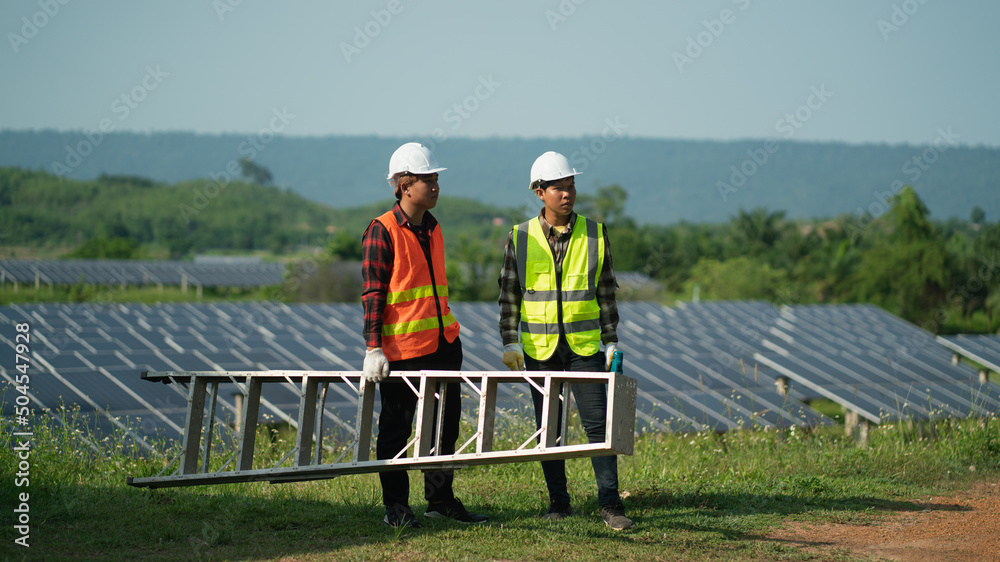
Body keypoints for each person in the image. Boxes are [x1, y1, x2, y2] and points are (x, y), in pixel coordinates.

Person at [496, 151, 633, 530]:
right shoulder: (520, 237)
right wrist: (510, 341)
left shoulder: (595, 232)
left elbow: (606, 294)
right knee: (549, 428)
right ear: (539, 192)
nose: (567, 194)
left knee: (598, 427)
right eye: (558, 187)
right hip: (540, 350)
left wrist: (612, 341)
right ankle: (559, 503)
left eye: (570, 186)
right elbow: (509, 294)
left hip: (585, 348)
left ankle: (611, 504)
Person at [361, 142, 488, 528]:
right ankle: (396, 507)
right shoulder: (381, 230)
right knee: (396, 429)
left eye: (435, 178)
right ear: (403, 184)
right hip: (402, 350)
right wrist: (372, 348)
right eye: (426, 179)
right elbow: (373, 292)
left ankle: (440, 499)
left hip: (444, 344)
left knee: (443, 427)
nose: (434, 186)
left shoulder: (433, 229)